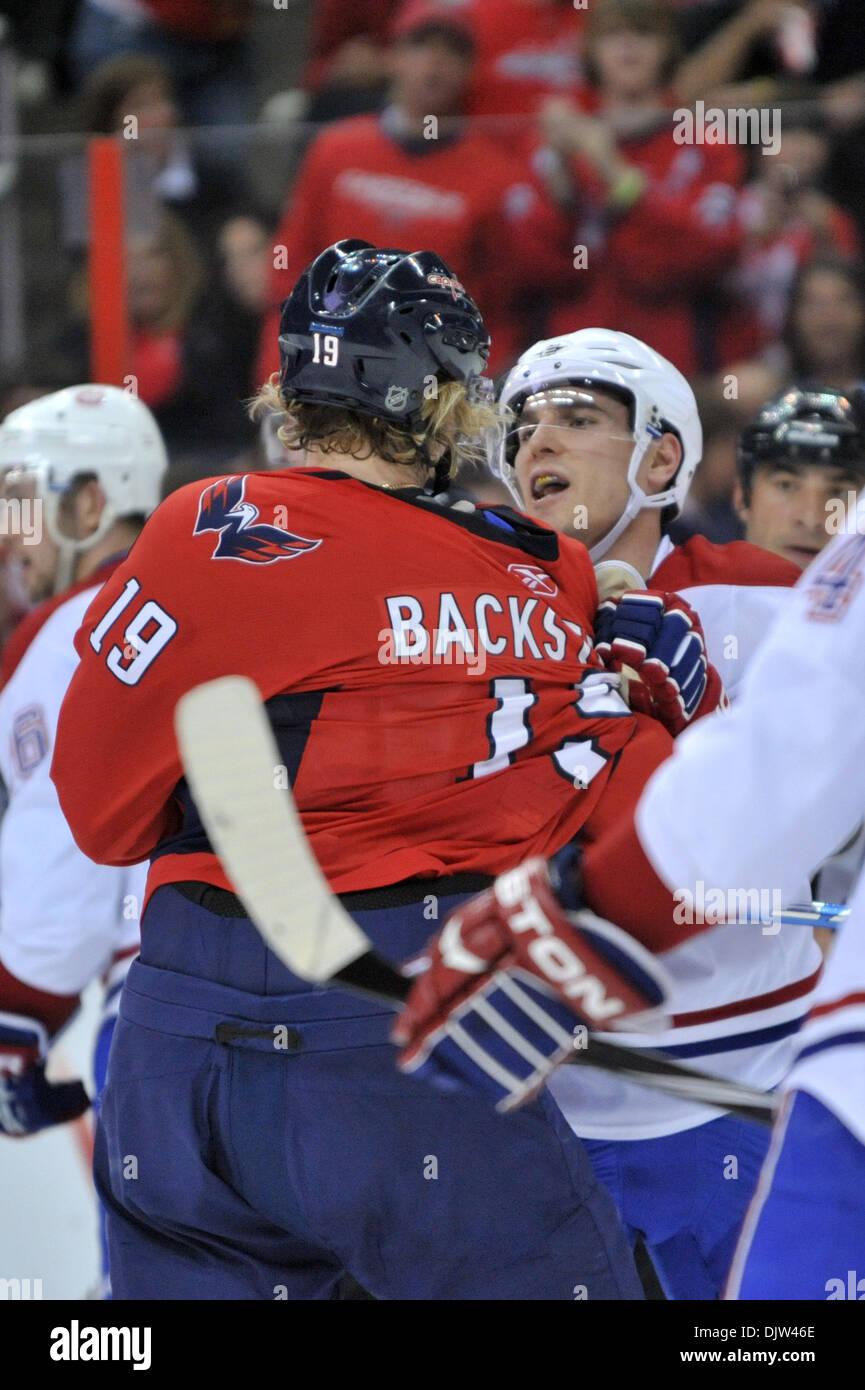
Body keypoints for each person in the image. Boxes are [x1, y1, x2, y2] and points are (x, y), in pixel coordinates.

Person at [50, 239, 721, 1301]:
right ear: (445, 398)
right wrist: (660, 700)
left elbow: (98, 817)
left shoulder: (208, 524)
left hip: (178, 1043)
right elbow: (622, 821)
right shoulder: (547, 579)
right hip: (402, 1030)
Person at [469, 326, 818, 1299]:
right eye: (522, 428)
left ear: (661, 454)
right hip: (540, 1101)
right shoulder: (466, 608)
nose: (538, 445)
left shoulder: (763, 599)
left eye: (577, 421)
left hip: (734, 1082)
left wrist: (708, 722)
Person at [0, 384, 167, 1288]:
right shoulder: (230, 589)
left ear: (92, 503)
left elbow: (59, 896)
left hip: (164, 1018)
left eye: (21, 499)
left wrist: (12, 1027)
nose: (10, 531)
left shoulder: (66, 632)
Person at [258, 5, 567, 380]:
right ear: (393, 58)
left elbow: (502, 306)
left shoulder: (497, 176)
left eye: (453, 51)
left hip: (431, 376)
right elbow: (290, 266)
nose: (435, 63)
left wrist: (472, 384)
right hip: (328, 357)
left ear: (471, 70)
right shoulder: (335, 148)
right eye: (421, 46)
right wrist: (281, 372)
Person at [533, 0, 744, 375]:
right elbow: (533, 267)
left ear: (668, 51)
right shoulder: (560, 143)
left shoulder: (706, 143)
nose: (628, 46)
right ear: (590, 53)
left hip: (672, 354)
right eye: (613, 35)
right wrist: (562, 185)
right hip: (571, 352)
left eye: (644, 34)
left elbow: (708, 253)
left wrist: (621, 179)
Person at [735, 385, 865, 571]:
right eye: (786, 485)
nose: (811, 520)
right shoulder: (691, 596)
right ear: (742, 498)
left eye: (838, 492)